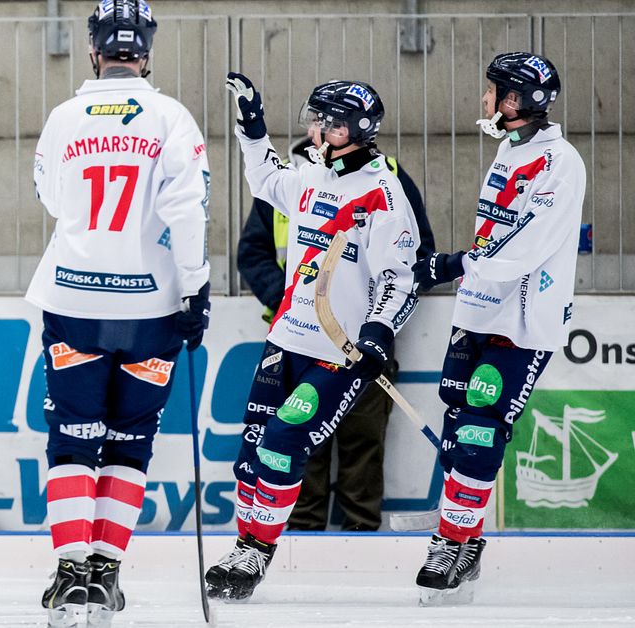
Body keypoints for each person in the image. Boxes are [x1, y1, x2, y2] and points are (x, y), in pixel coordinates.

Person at [27, 1, 210, 625]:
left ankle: (71, 576)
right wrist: (196, 288)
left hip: (75, 299)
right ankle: (104, 577)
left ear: (94, 51)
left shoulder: (64, 116)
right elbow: (189, 213)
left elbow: (52, 197)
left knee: (73, 439)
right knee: (130, 444)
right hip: (150, 307)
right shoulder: (172, 117)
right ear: (146, 52)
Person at [205, 74, 421, 602]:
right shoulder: (312, 174)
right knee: (251, 454)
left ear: (344, 128)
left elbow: (401, 275)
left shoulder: (383, 193)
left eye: (318, 120)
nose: (309, 127)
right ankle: (244, 544)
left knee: (283, 444)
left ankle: (256, 551)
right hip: (285, 341)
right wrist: (252, 128)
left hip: (336, 355)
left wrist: (375, 335)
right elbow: (264, 180)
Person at [411, 52, 583, 606]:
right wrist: (465, 274)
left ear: (514, 100)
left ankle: (450, 541)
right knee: (459, 425)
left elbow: (527, 243)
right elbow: (497, 234)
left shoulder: (561, 162)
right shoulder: (510, 151)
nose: (485, 99)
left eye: (493, 91)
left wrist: (453, 263)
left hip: (523, 321)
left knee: (481, 430)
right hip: (477, 311)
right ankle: (468, 542)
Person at [237, 139, 435, 532]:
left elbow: (415, 257)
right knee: (293, 439)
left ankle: (361, 530)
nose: (318, 131)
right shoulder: (293, 174)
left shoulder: (387, 176)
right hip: (295, 339)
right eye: (316, 123)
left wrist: (376, 326)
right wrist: (302, 303)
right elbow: (252, 253)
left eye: (327, 123)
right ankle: (299, 531)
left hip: (361, 344)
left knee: (363, 438)